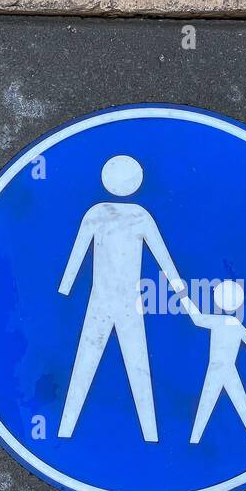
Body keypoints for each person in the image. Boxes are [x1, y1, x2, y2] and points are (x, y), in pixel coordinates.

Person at [57, 155, 184, 442]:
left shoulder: (97, 213)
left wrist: (66, 287)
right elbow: (164, 259)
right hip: (117, 298)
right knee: (133, 364)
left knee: (91, 362)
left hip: (109, 298)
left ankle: (66, 430)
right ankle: (150, 436)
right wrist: (180, 292)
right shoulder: (139, 216)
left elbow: (77, 257)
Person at [181, 280, 246, 444]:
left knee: (207, 404)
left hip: (218, 368)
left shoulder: (218, 321)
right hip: (226, 368)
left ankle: (195, 439)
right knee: (239, 402)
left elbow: (196, 318)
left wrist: (182, 295)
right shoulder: (235, 323)